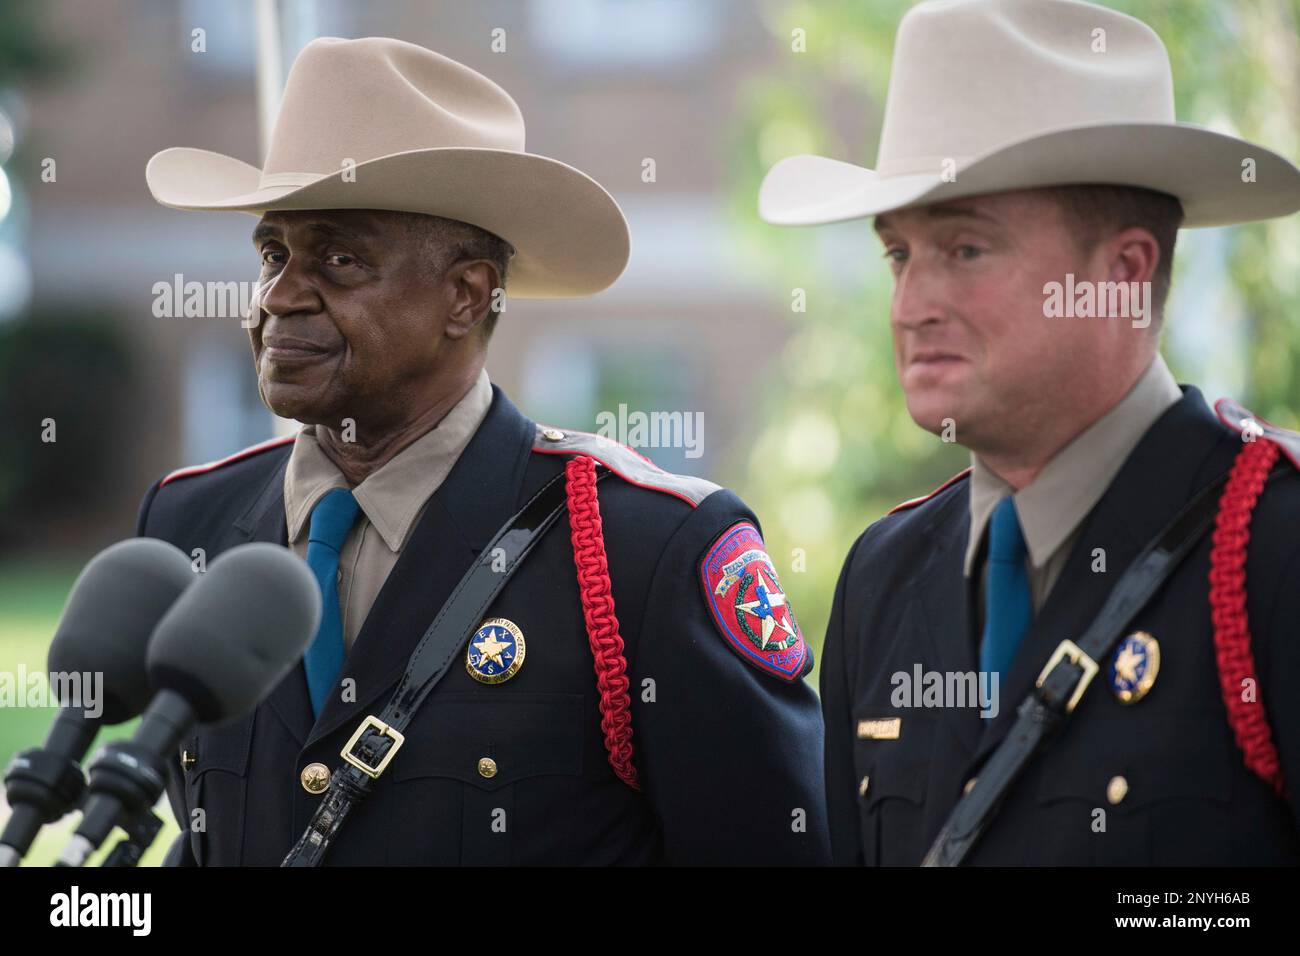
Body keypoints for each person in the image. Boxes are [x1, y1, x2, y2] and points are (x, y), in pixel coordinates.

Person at [139, 36, 828, 865]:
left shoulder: (642, 548)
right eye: (273, 254)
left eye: (340, 260)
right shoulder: (188, 523)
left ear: (464, 296)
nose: (281, 296)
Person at [760, 0, 1300, 864]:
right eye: (898, 254)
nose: (911, 305)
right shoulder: (885, 574)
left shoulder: (1272, 545)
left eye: (966, 250)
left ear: (1123, 273)